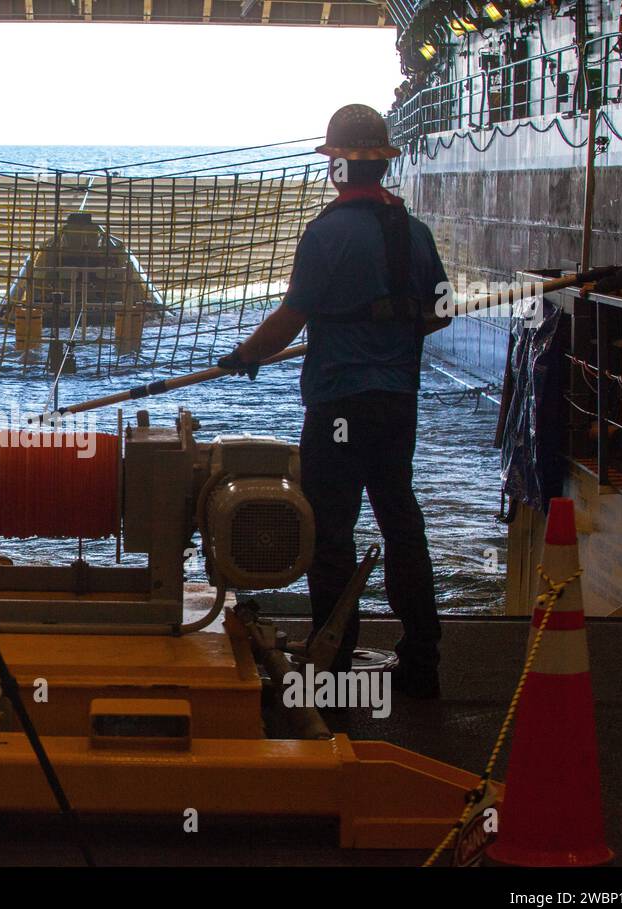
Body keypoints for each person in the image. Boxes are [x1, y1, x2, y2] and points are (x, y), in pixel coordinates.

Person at [217, 104, 451, 699]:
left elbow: (291, 319)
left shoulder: (325, 234)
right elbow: (442, 311)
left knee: (331, 532)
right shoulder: (416, 233)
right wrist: (392, 330)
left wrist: (243, 356)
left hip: (339, 406)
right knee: (402, 521)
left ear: (341, 166)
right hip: (398, 402)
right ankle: (422, 655)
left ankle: (330, 662)